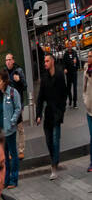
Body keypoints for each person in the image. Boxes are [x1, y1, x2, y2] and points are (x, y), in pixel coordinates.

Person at [35, 51, 67, 180]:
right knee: (49, 141)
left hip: (57, 113)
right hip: (48, 114)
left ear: (52, 61)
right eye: (44, 61)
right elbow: (40, 98)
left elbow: (64, 95)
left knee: (55, 140)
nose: (45, 63)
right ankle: (54, 160)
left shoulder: (59, 75)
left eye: (47, 61)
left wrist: (62, 111)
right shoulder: (44, 78)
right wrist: (38, 114)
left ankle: (54, 165)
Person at [0, 73, 22, 189]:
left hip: (10, 130)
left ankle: (13, 180)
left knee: (13, 155)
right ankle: (6, 179)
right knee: (4, 157)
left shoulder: (13, 92)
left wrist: (12, 122)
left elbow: (18, 108)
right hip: (0, 131)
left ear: (4, 82)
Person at [3, 52, 27, 159]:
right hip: (8, 106)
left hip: (17, 105)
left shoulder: (19, 71)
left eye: (9, 60)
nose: (8, 62)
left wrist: (19, 80)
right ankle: (11, 152)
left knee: (20, 128)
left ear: (13, 60)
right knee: (9, 129)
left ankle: (21, 150)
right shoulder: (4, 73)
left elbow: (25, 86)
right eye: (6, 60)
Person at [64, 41, 80, 109]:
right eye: (68, 44)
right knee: (68, 88)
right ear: (67, 45)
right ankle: (70, 99)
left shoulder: (74, 52)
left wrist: (76, 65)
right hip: (68, 74)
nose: (70, 45)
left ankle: (75, 103)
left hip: (74, 73)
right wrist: (64, 68)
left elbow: (78, 62)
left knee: (75, 88)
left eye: (71, 44)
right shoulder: (65, 54)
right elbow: (64, 63)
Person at [85, 53, 92, 172]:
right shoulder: (87, 69)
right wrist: (85, 101)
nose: (89, 58)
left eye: (91, 56)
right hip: (90, 109)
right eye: (88, 56)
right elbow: (84, 88)